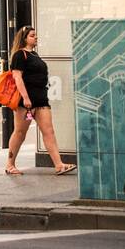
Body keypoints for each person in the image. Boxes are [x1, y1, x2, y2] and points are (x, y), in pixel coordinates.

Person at [6, 26, 75, 177]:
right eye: (32, 35)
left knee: (48, 132)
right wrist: (25, 98)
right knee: (20, 133)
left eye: (35, 35)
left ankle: (59, 165)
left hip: (41, 100)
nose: (36, 37)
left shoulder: (35, 55)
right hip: (26, 102)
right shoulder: (19, 55)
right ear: (24, 38)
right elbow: (17, 77)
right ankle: (10, 165)